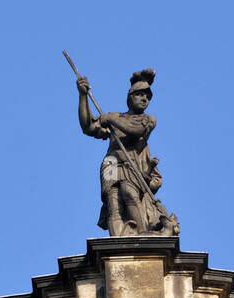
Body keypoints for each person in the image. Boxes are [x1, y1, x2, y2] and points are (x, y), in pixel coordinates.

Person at [76, 68, 179, 236]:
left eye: (148, 96)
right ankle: (117, 238)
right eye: (140, 94)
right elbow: (87, 127)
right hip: (111, 163)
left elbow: (136, 130)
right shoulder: (117, 117)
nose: (145, 99)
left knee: (129, 193)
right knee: (113, 201)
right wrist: (83, 96)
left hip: (132, 167)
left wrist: (111, 119)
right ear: (130, 97)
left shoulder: (147, 119)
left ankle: (142, 234)